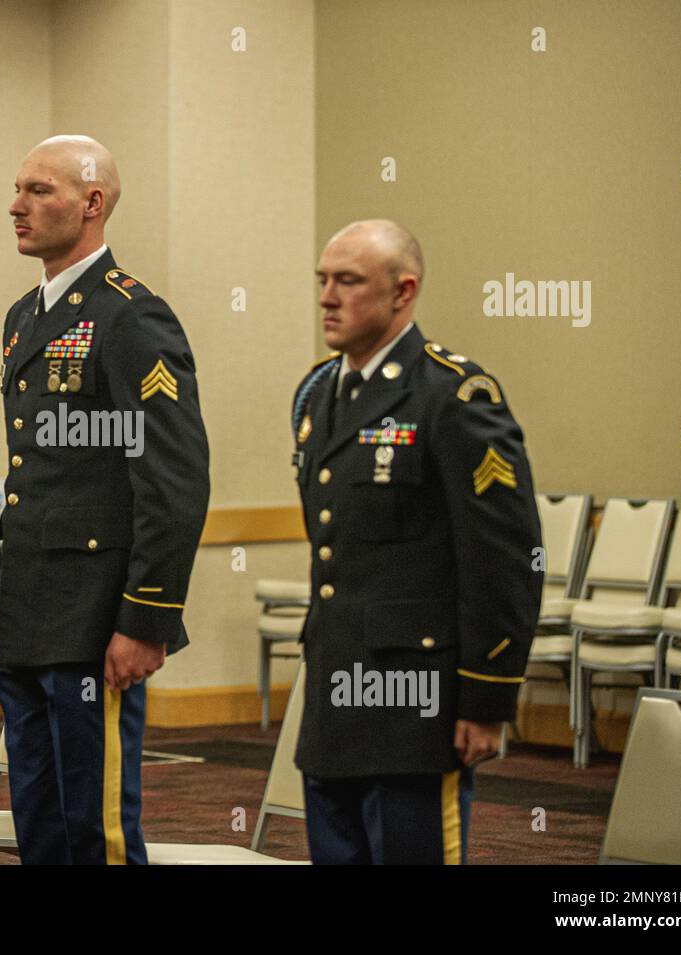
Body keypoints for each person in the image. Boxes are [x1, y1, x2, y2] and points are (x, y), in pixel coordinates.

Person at [290, 219, 542, 864]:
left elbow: (503, 560)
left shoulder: (453, 396)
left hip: (417, 705)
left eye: (348, 281)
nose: (327, 296)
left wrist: (487, 699)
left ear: (404, 292)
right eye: (323, 279)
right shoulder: (318, 394)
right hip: (335, 695)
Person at [0, 135, 210, 864]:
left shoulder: (131, 317)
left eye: (39, 190)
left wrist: (147, 616)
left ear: (92, 203)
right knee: (41, 825)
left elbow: (172, 478)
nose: (17, 205)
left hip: (93, 615)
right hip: (28, 606)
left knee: (97, 828)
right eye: (18, 188)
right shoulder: (25, 315)